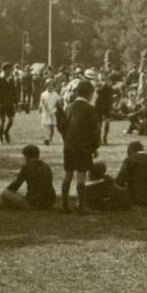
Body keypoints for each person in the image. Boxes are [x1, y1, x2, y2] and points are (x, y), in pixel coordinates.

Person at [59, 80, 100, 213]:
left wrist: (66, 140)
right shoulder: (90, 109)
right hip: (84, 147)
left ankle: (64, 205)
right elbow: (94, 131)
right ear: (89, 94)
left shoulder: (69, 107)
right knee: (81, 176)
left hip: (69, 146)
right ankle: (81, 206)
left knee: (68, 175)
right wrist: (94, 148)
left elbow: (62, 126)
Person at [0, 144, 56, 210]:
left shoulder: (27, 166)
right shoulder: (46, 166)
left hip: (33, 202)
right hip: (49, 202)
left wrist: (10, 193)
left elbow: (16, 185)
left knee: (5, 193)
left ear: (27, 156)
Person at [0, 62, 18, 145]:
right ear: (5, 70)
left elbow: (14, 91)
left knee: (11, 120)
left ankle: (6, 132)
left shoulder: (11, 79)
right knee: (2, 121)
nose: (11, 71)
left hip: (10, 103)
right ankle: (0, 138)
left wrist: (16, 102)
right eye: (10, 70)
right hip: (2, 103)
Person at [39, 79, 60, 146]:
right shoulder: (43, 94)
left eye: (51, 85)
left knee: (52, 125)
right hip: (46, 112)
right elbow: (42, 103)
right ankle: (47, 138)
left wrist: (55, 109)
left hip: (53, 110)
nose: (49, 86)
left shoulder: (55, 94)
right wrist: (40, 108)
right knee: (46, 125)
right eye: (48, 85)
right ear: (46, 86)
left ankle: (50, 138)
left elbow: (58, 102)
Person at [94, 73, 113, 145]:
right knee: (99, 123)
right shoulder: (98, 84)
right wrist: (105, 85)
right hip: (99, 106)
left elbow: (111, 93)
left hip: (107, 106)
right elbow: (98, 91)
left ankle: (105, 138)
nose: (102, 77)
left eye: (104, 76)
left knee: (107, 122)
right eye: (101, 75)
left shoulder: (108, 85)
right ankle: (99, 139)